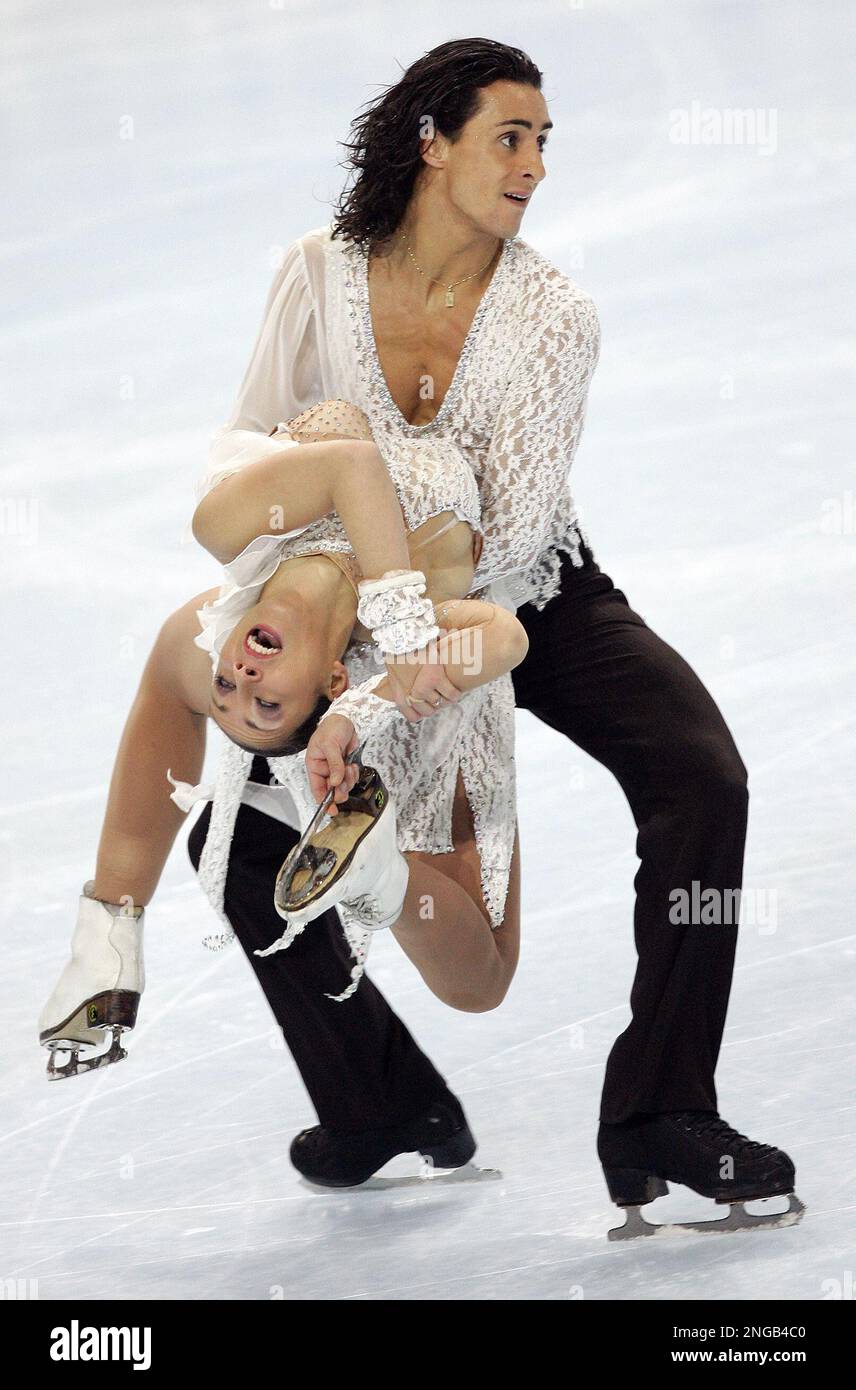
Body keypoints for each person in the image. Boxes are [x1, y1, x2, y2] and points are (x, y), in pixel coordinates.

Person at [44, 37, 801, 1229]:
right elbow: (253, 445)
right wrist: (316, 589)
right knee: (240, 842)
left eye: (545, 141)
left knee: (702, 775)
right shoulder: (319, 272)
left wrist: (387, 651)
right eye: (512, 136)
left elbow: (510, 536)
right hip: (347, 601)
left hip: (517, 586)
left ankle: (661, 1106)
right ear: (430, 142)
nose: (536, 165)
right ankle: (378, 1102)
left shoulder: (555, 315)